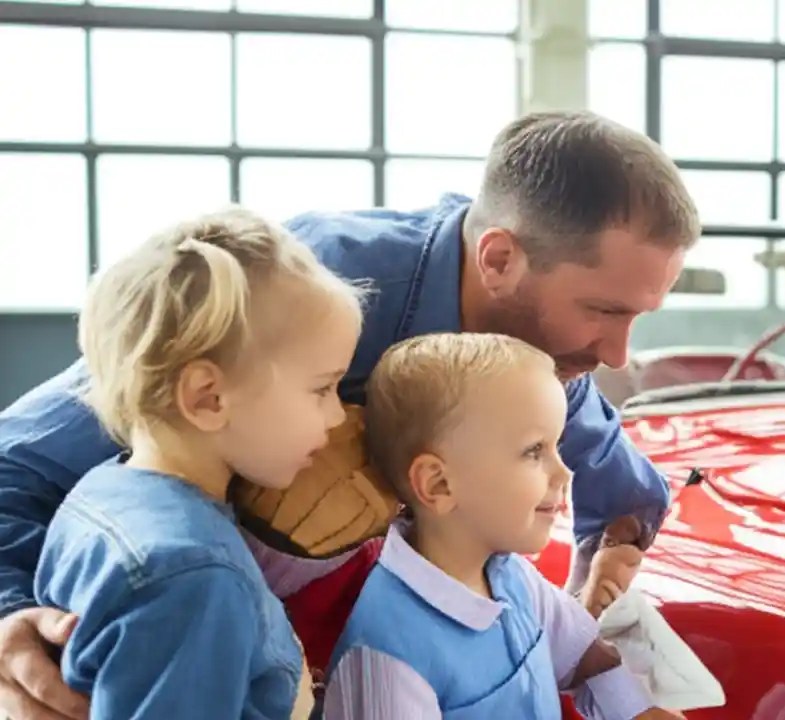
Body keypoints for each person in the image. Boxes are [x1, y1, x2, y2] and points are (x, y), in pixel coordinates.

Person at [0, 110, 700, 719]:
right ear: (499, 258)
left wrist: (603, 569)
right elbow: (16, 465)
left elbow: (623, 490)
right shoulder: (295, 293)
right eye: (604, 311)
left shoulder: (547, 350)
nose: (616, 353)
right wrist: (10, 621)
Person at [34, 207, 365, 718]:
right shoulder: (193, 577)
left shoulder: (103, 490)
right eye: (322, 388)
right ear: (208, 397)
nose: (337, 415)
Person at [323, 333, 677, 719]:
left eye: (557, 446)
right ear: (438, 484)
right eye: (533, 451)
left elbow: (589, 658)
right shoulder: (387, 652)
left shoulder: (511, 577)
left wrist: (642, 711)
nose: (563, 472)